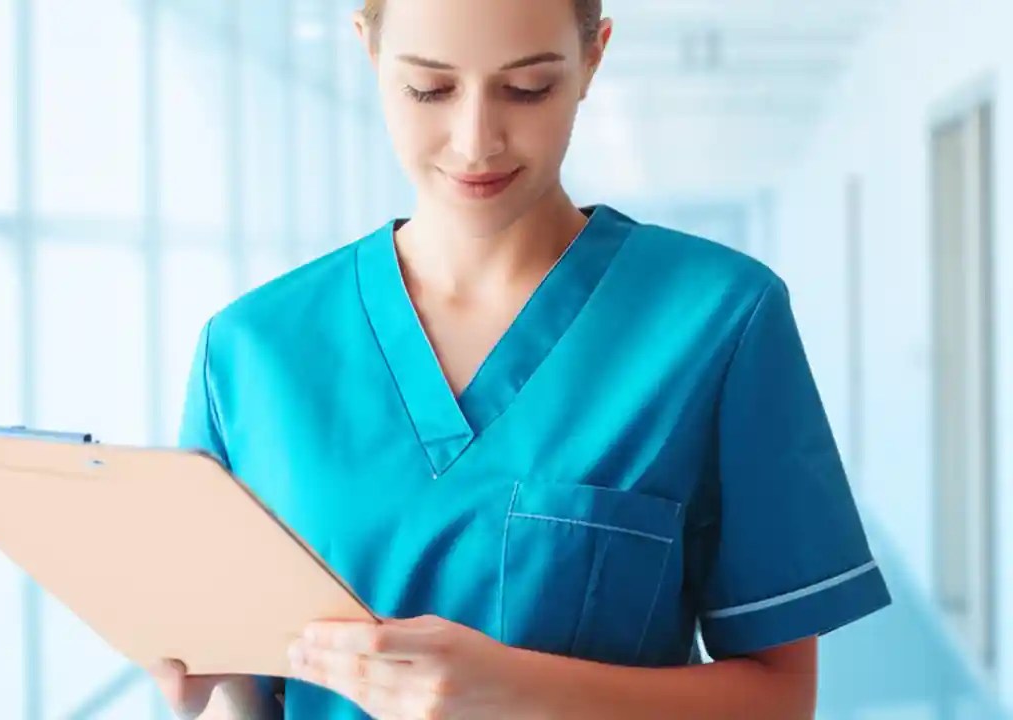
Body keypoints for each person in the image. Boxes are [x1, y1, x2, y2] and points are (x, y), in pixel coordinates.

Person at [150, 0, 892, 717]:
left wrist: (517, 694)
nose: (477, 141)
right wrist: (206, 691)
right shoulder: (249, 351)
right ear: (370, 51)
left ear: (593, 55)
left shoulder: (720, 319)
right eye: (429, 88)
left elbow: (779, 697)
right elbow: (247, 690)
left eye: (528, 87)